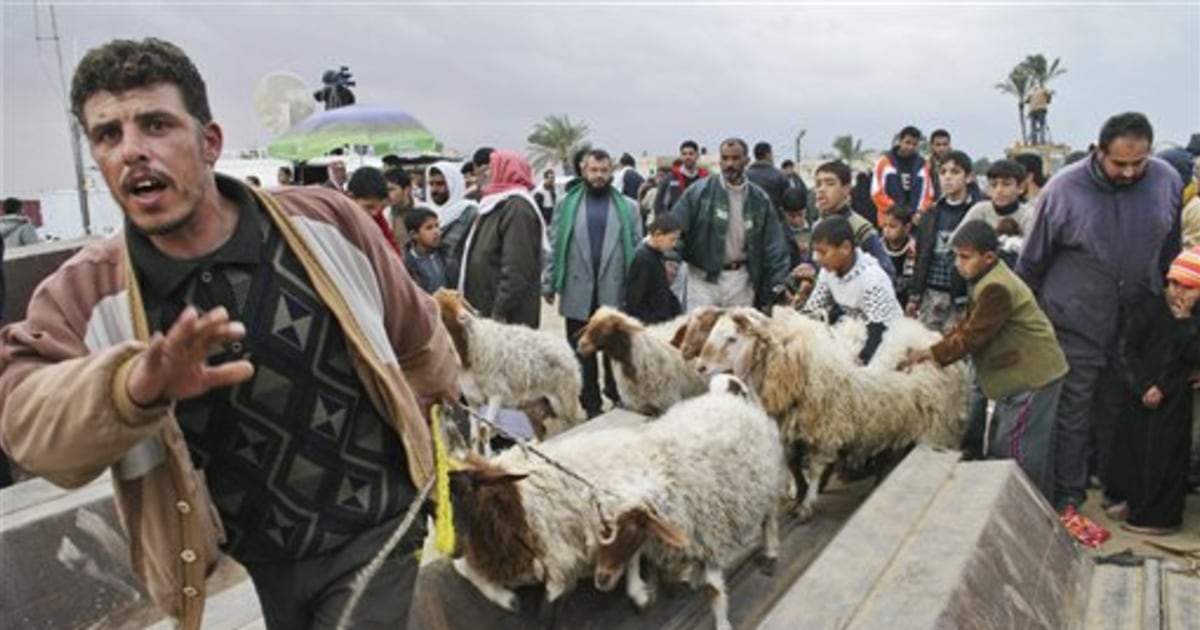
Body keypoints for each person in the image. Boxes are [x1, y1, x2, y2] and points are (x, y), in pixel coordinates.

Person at [0, 38, 457, 629]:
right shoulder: (83, 295)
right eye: (108, 135)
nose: (132, 151)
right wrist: (129, 389)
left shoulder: (326, 223)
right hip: (229, 581)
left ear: (209, 142)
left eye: (156, 124)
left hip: (374, 537)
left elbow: (420, 343)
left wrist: (439, 460)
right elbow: (28, 430)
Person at [1017, 112, 1181, 512]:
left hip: (1137, 323)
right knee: (1075, 411)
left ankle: (1117, 488)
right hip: (1075, 322)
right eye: (1119, 163)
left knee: (1123, 409)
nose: (1128, 172)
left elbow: (1171, 250)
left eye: (1137, 163)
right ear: (1098, 151)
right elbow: (1031, 263)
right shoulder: (1062, 191)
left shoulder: (1166, 181)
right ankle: (1069, 496)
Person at [903, 221, 1067, 503]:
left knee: (1016, 450)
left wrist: (930, 353)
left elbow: (973, 336)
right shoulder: (986, 281)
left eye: (965, 257)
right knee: (1013, 442)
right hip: (1019, 374)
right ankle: (1025, 505)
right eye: (956, 256)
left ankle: (1020, 508)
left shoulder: (996, 288)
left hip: (1031, 375)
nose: (958, 264)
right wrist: (937, 342)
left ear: (988, 257)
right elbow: (968, 325)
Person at [1102, 248, 1200, 535]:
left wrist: (1185, 323)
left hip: (1176, 400)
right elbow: (1125, 348)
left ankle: (1159, 517)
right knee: (1133, 453)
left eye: (1188, 287)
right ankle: (1130, 502)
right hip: (1141, 396)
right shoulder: (1151, 308)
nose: (1178, 292)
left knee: (1166, 459)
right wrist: (1143, 385)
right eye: (1174, 284)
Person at [544, 149, 642, 417]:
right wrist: (549, 282)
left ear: (611, 172)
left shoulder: (629, 207)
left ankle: (617, 397)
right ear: (583, 171)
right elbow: (554, 245)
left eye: (603, 171)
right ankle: (591, 405)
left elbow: (636, 247)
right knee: (582, 352)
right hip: (579, 290)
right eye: (593, 170)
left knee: (615, 350)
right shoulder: (566, 206)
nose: (598, 176)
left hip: (614, 289)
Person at [673, 138, 791, 310]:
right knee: (701, 333)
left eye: (735, 159)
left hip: (739, 281)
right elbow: (675, 229)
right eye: (725, 158)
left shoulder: (759, 200)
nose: (729, 164)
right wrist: (670, 260)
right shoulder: (698, 192)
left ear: (746, 160)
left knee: (738, 334)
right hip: (701, 280)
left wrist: (779, 281)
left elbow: (774, 245)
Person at [459, 149, 547, 328]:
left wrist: (500, 311)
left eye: (493, 168)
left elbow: (516, 268)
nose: (486, 174)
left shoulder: (517, 208)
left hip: (505, 319)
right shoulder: (495, 203)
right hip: (485, 308)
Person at [802, 216, 903, 364]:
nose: (817, 258)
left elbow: (880, 328)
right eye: (816, 252)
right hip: (856, 338)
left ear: (845, 248)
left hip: (889, 344)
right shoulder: (828, 272)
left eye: (823, 252)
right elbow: (813, 310)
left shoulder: (871, 277)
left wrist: (858, 366)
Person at [907, 150, 982, 333]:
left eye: (955, 172)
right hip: (931, 294)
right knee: (925, 348)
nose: (947, 178)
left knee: (956, 349)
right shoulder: (931, 214)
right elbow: (921, 256)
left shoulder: (977, 212)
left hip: (962, 296)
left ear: (969, 177)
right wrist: (914, 295)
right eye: (943, 172)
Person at [809, 161, 896, 278]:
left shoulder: (860, 228)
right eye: (818, 184)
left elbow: (887, 270)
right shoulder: (817, 226)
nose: (821, 189)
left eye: (830, 184)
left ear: (846, 189)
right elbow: (815, 264)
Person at [419, 161, 478, 289]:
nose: (434, 189)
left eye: (440, 184)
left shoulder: (469, 212)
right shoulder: (427, 212)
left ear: (453, 184)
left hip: (464, 284)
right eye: (431, 184)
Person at [624, 213, 684, 325]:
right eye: (671, 239)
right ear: (658, 234)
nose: (674, 244)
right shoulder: (643, 259)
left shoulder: (657, 255)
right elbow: (635, 301)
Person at [870, 125, 934, 224]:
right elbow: (876, 193)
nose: (910, 147)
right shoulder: (884, 163)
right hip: (889, 221)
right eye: (907, 142)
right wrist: (896, 211)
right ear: (900, 141)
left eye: (914, 144)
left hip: (914, 222)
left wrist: (919, 212)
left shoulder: (923, 165)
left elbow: (928, 194)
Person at [959, 159, 1036, 238]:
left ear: (1021, 188)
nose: (999, 190)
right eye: (994, 185)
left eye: (1006, 184)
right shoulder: (979, 211)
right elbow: (956, 241)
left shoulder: (1029, 215)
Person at [348, 167, 402, 255]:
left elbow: (391, 248)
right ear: (351, 197)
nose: (375, 213)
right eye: (369, 206)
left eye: (380, 207)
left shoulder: (377, 216)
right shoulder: (338, 221)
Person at [655, 139, 709, 216]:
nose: (687, 157)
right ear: (680, 156)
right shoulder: (670, 178)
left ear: (697, 155)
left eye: (691, 154)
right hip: (675, 223)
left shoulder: (705, 178)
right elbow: (658, 203)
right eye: (684, 154)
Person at [403, 207, 446, 294]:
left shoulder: (446, 254)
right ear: (414, 234)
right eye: (429, 228)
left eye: (437, 226)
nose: (437, 232)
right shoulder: (407, 266)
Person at [881, 204, 917, 306]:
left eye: (892, 226)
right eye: (885, 225)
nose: (887, 230)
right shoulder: (878, 247)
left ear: (907, 227)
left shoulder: (914, 248)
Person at [746, 141, 789, 214]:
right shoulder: (780, 175)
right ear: (768, 155)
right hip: (773, 218)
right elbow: (788, 200)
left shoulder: (744, 176)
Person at [384, 168, 414, 249]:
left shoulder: (426, 211)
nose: (387, 194)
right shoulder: (384, 215)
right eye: (385, 190)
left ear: (407, 190)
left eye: (391, 189)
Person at [928, 129, 952, 199]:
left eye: (945, 144)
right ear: (932, 146)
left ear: (949, 145)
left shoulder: (958, 163)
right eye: (938, 145)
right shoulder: (925, 165)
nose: (942, 148)